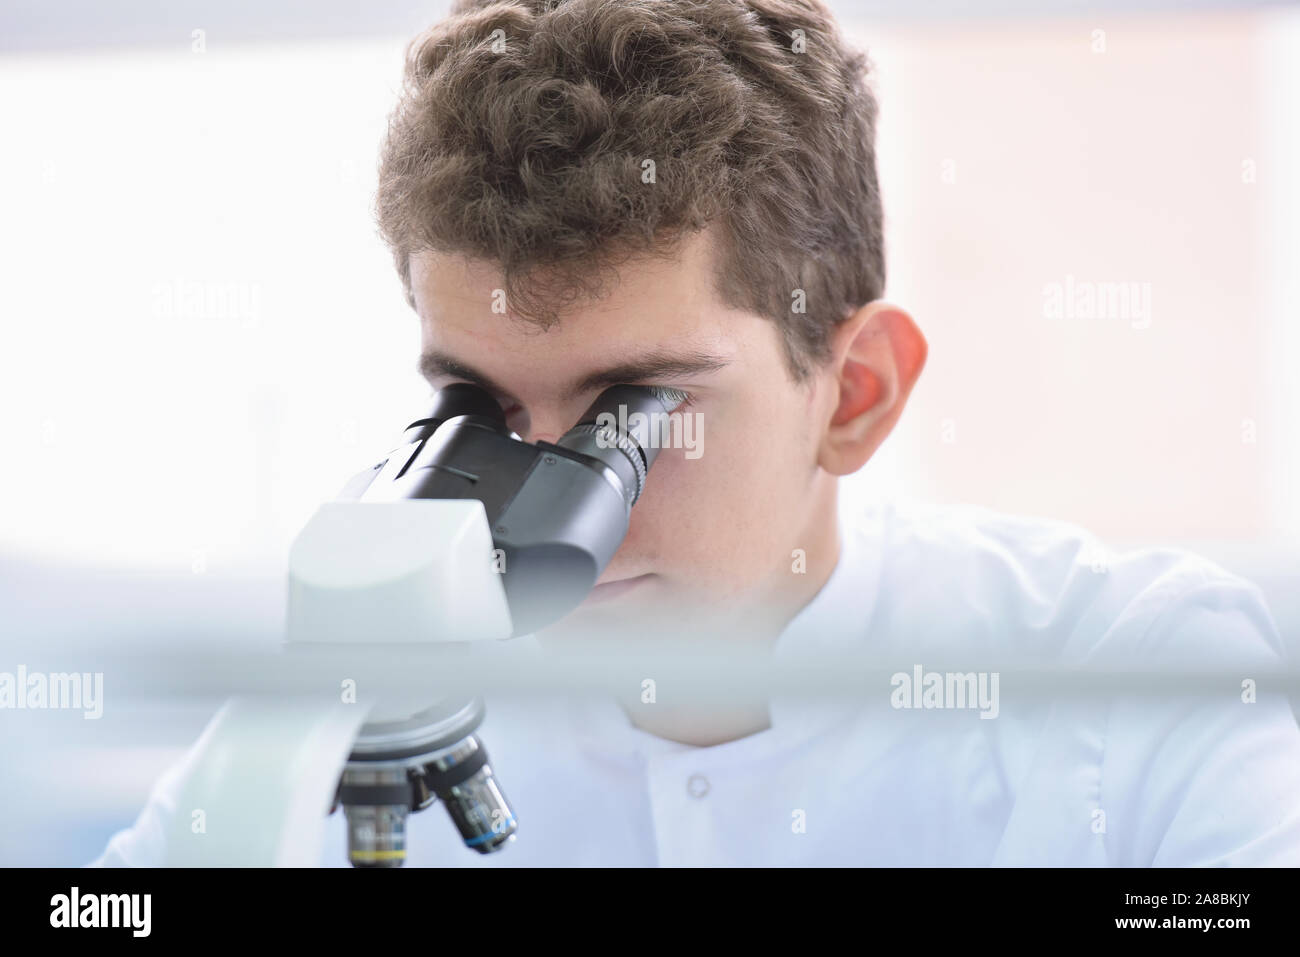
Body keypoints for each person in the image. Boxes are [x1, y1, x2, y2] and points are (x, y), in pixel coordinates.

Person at [91, 0, 1300, 866]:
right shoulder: (364, 702)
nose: (537, 521)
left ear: (857, 392)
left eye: (639, 412)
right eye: (482, 409)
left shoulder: (1130, 691)